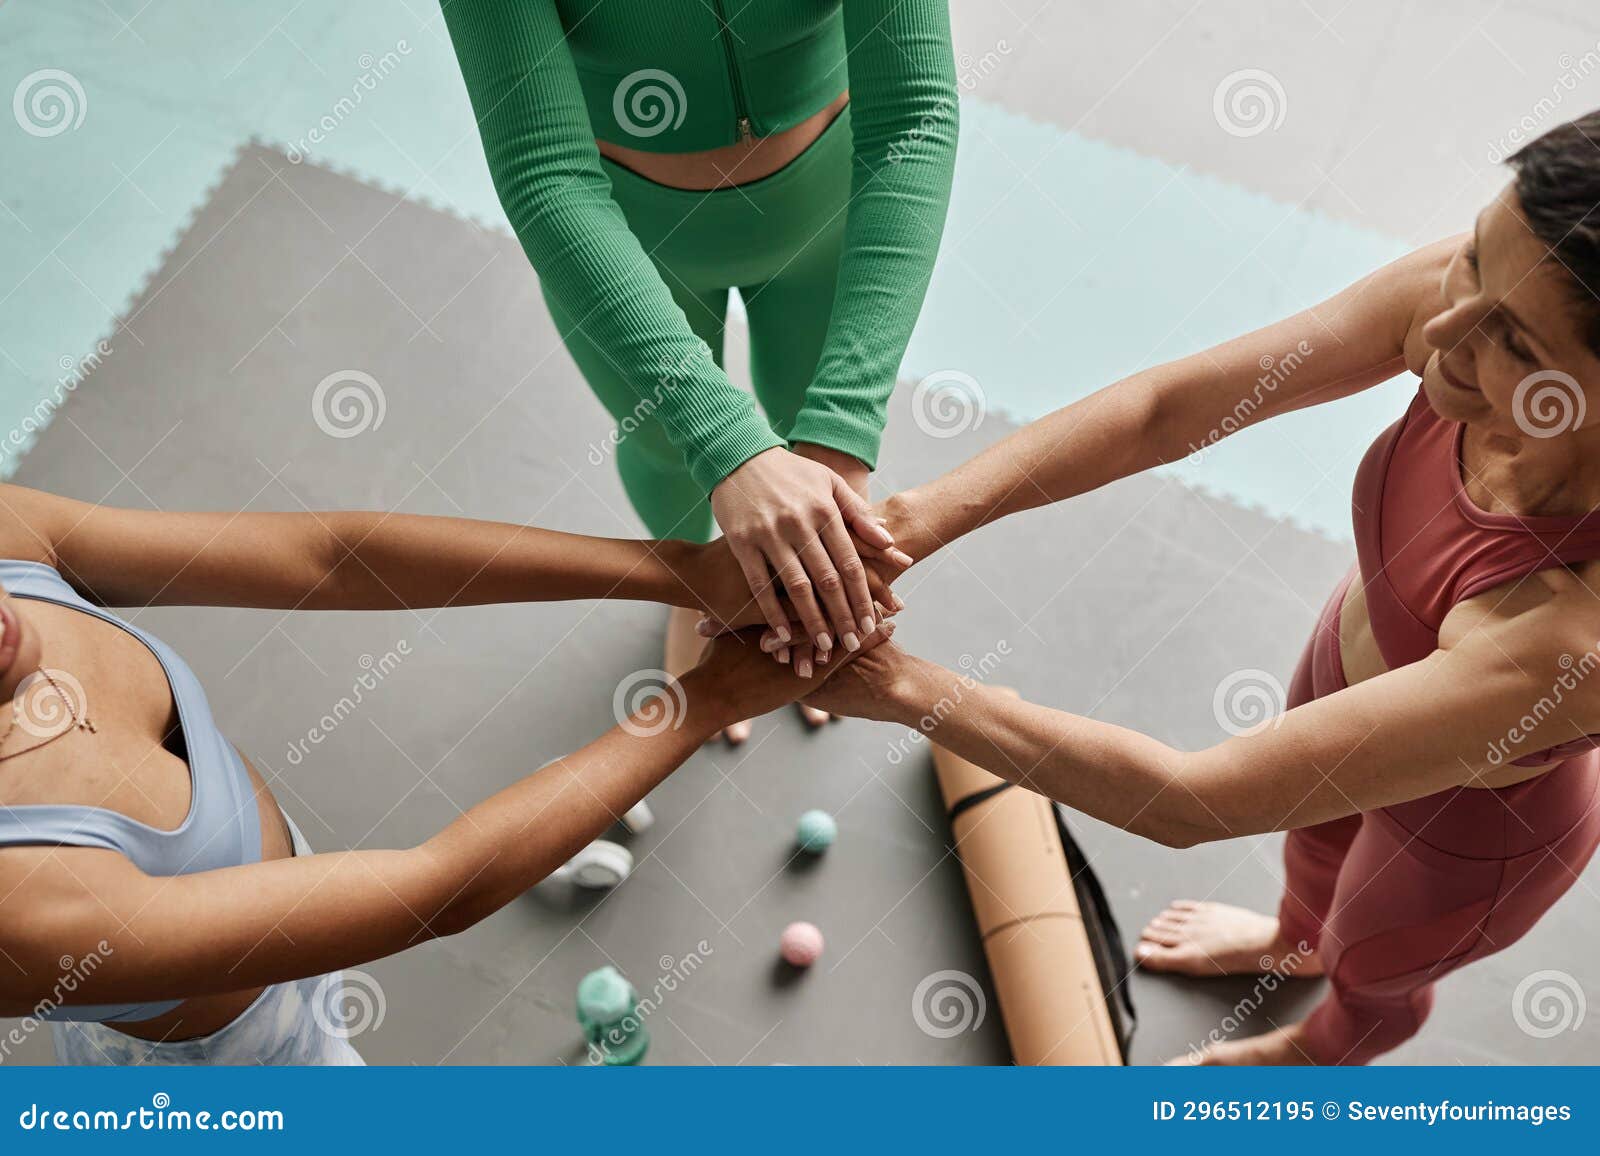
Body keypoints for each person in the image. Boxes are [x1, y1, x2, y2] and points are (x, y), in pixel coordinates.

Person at [778, 111, 1600, 1064]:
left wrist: (898, 690)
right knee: (1313, 863)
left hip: (1465, 828)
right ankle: (1287, 944)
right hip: (1350, 653)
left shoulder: (1568, 634)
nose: (1446, 327)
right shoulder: (1481, 298)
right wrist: (908, 525)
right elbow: (1165, 412)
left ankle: (1310, 1053)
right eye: (1474, 256)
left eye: (1515, 344)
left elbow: (1192, 802)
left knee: (1374, 964)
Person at [0, 483, 891, 1064]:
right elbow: (440, 887)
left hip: (259, 901)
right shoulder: (25, 908)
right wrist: (702, 702)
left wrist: (682, 572)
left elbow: (334, 561)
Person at [442, 0, 956, 741]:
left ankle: (788, 597)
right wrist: (728, 446)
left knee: (803, 412)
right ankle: (696, 592)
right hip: (624, 236)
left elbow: (915, 110)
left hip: (828, 210)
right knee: (666, 448)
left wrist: (839, 437)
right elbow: (543, 169)